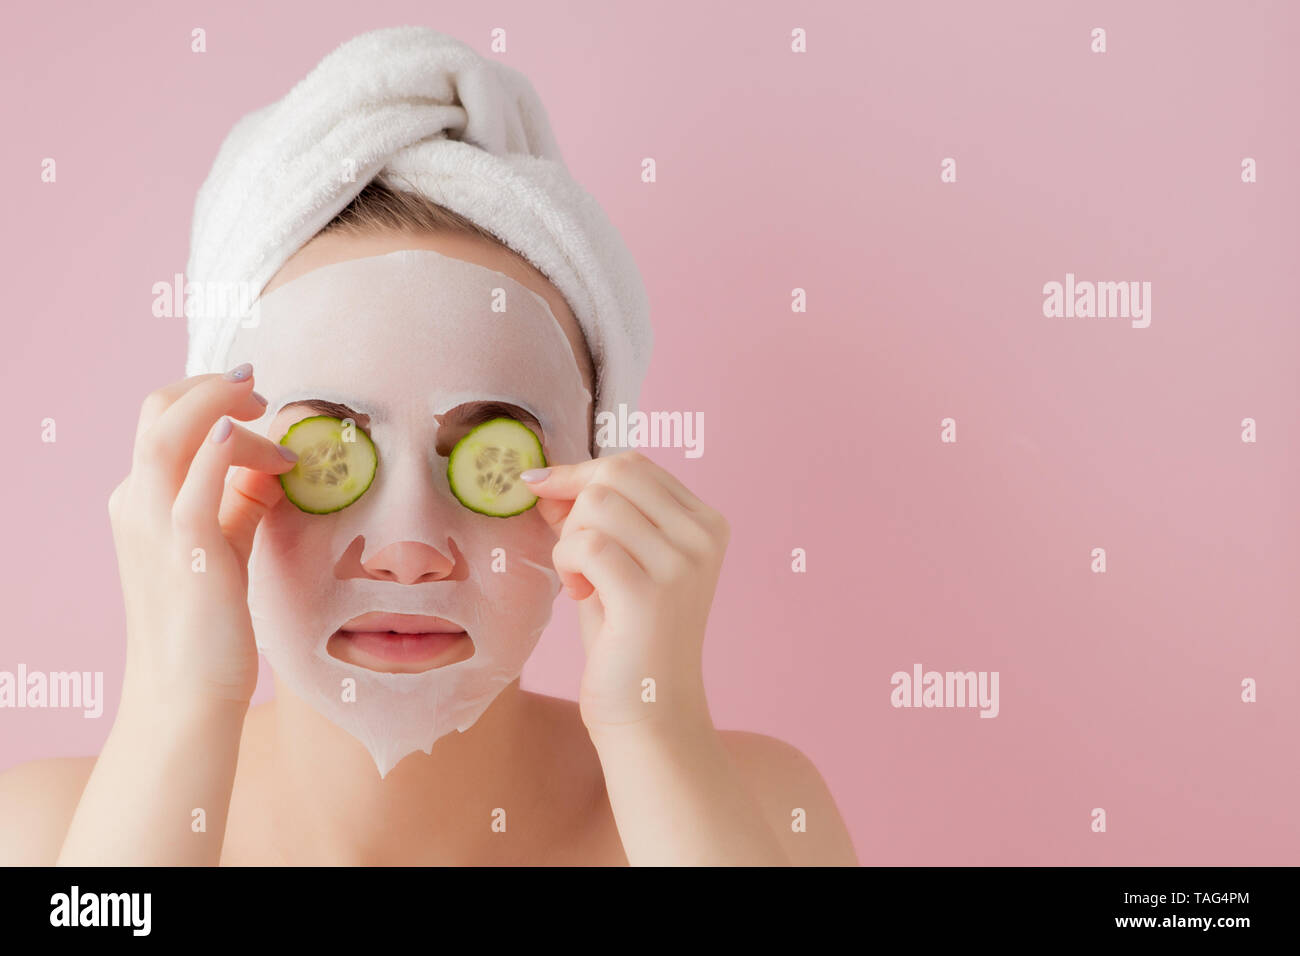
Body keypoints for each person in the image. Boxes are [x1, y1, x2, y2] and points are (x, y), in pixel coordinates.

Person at [0, 30, 858, 867]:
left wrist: (654, 727)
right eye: (327, 454)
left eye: (490, 453)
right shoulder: (45, 834)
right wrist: (173, 701)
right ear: (212, 475)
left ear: (594, 474)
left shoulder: (753, 809)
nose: (409, 552)